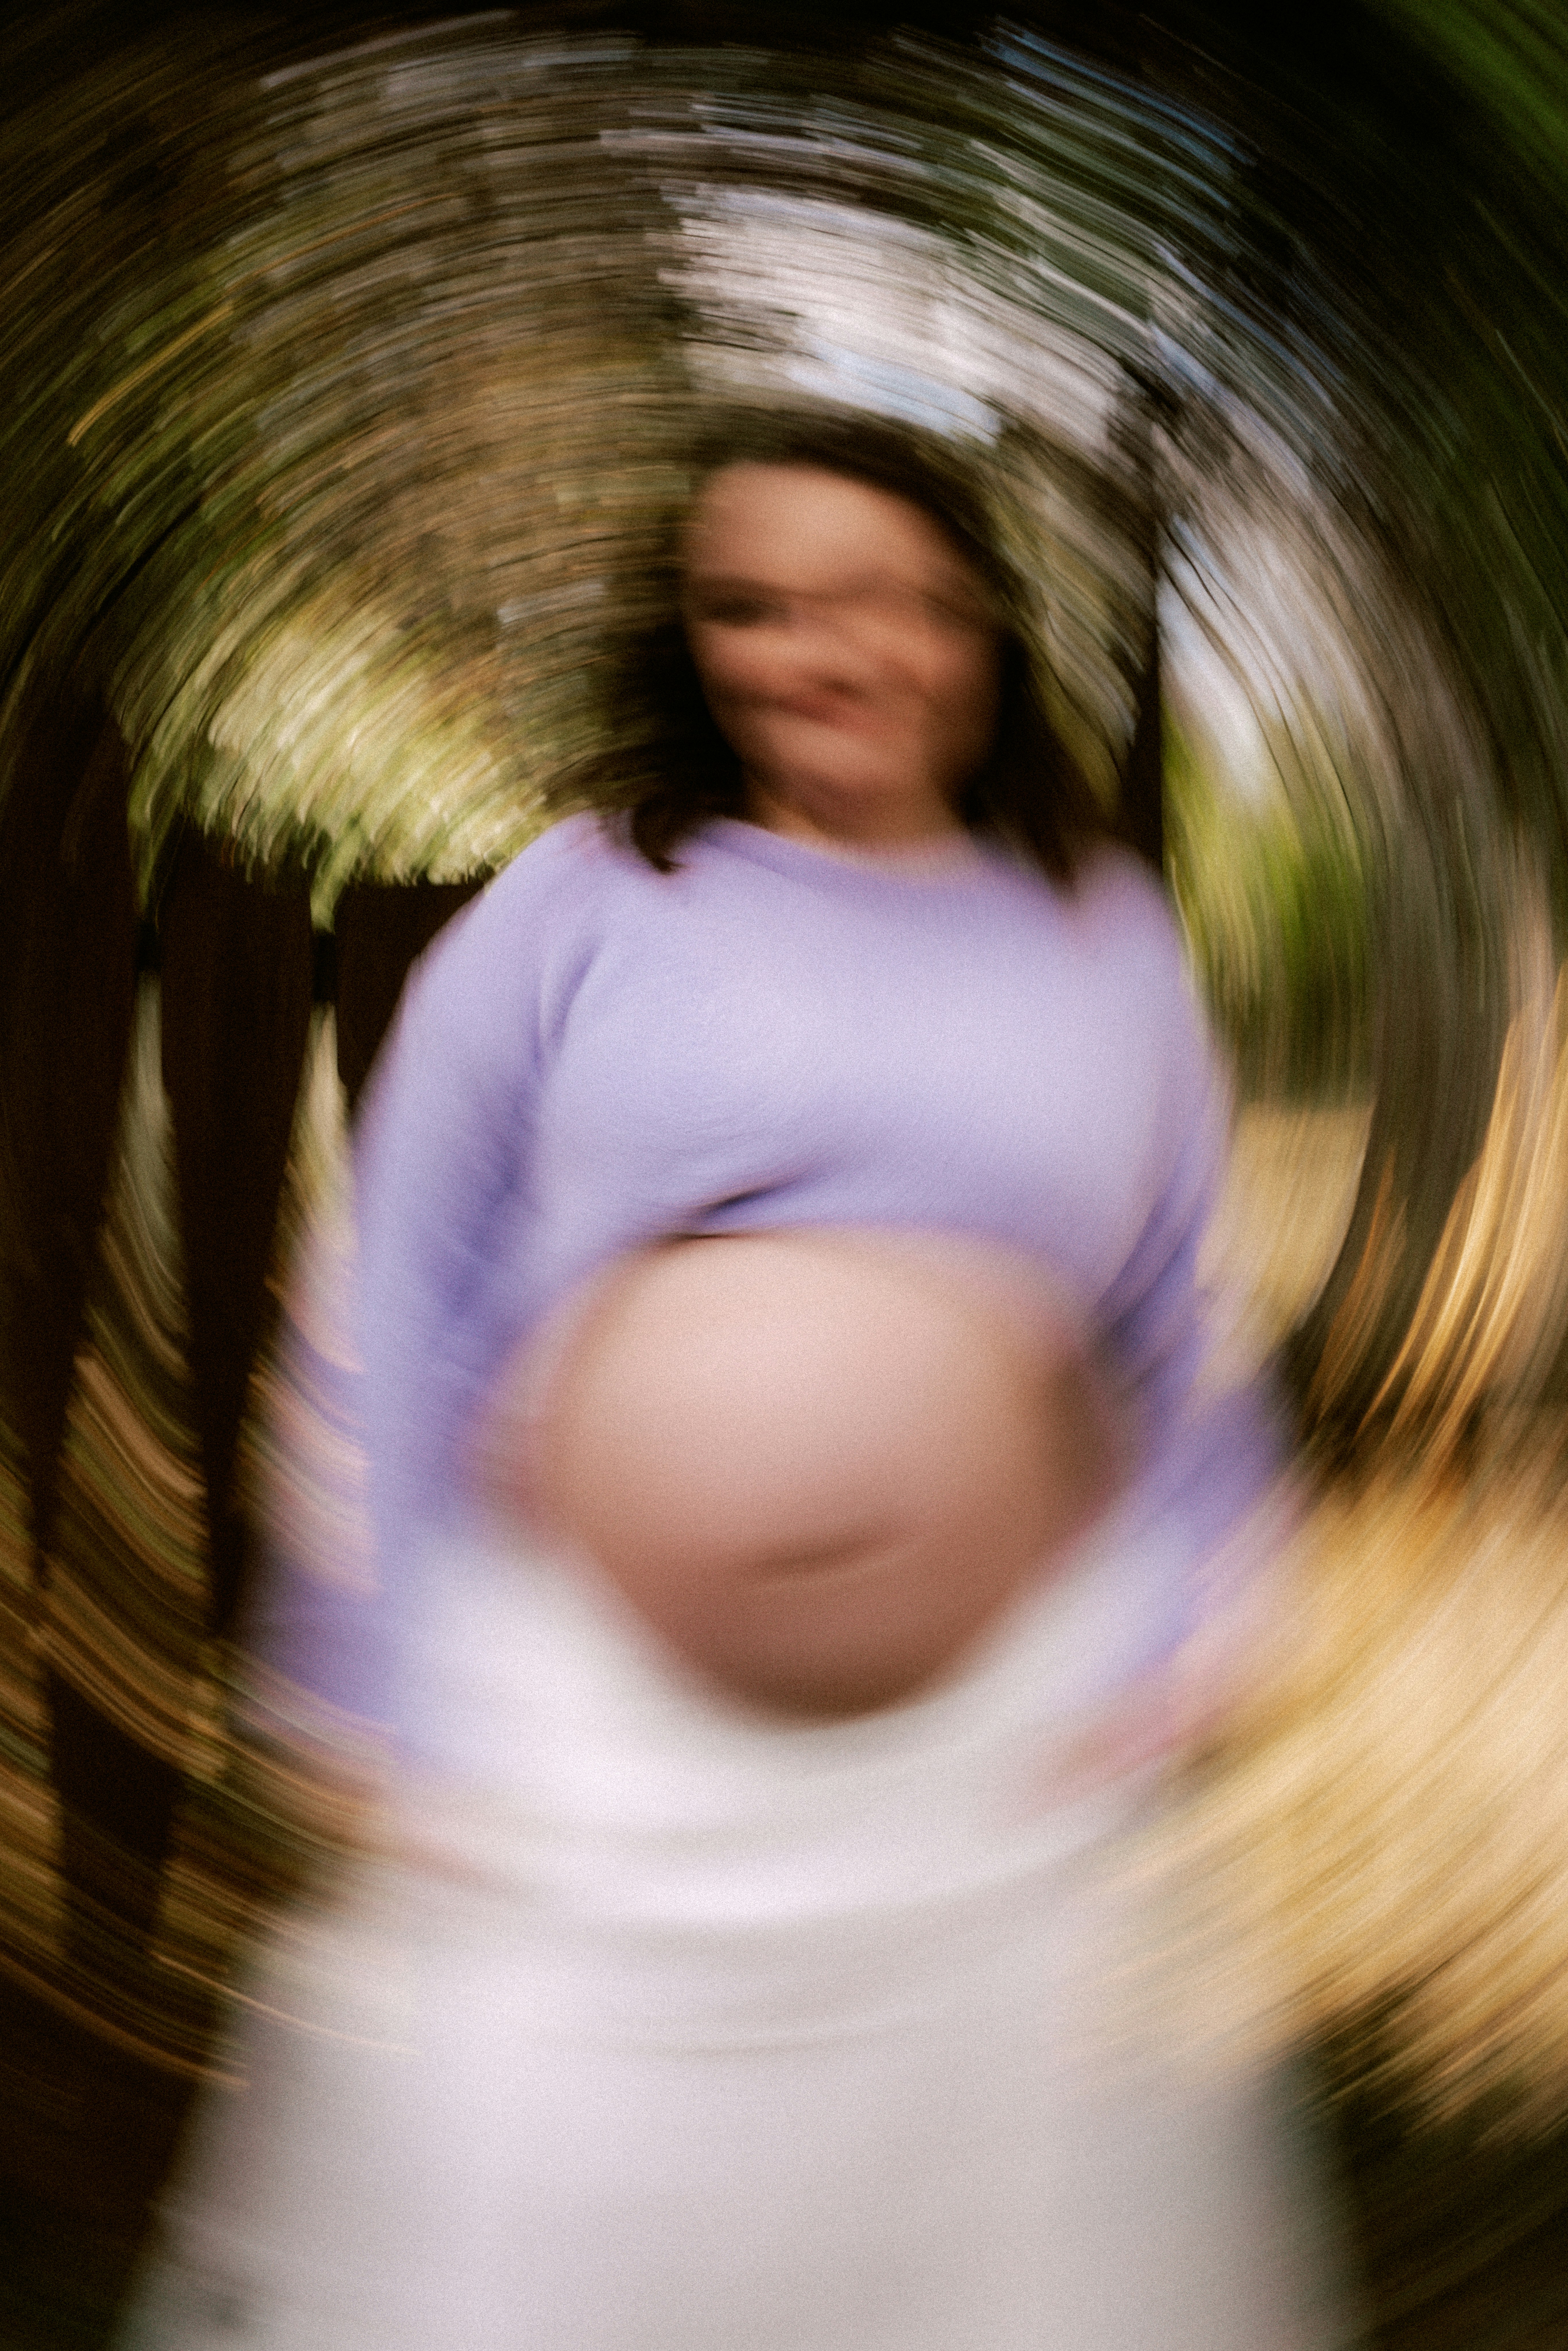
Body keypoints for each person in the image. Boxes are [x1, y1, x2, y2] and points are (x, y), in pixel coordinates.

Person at [122, 408, 1351, 2348]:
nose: (818, 650)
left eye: (880, 601)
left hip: (987, 1774)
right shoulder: (584, 903)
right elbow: (396, 1278)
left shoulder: (1099, 938)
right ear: (693, 644)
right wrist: (364, 1667)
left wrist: (1206, 1601)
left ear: (976, 632)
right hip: (584, 1761)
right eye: (751, 607)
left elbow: (1178, 1310)